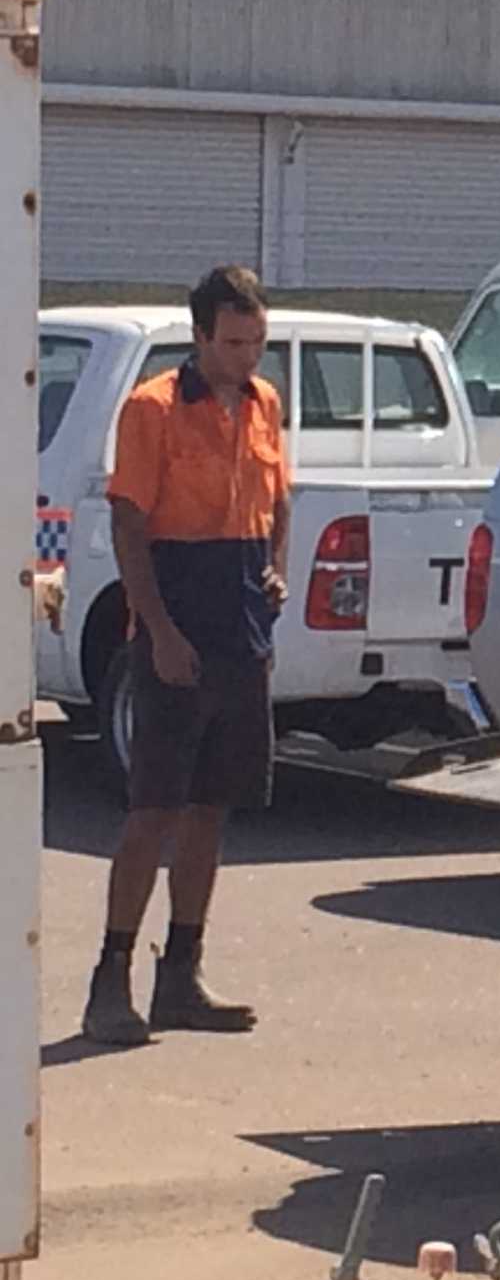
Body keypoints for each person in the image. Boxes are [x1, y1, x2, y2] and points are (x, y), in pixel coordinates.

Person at [81, 265, 287, 1045]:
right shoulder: (153, 409)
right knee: (152, 812)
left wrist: (278, 565)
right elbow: (131, 526)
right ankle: (110, 980)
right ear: (200, 336)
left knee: (212, 810)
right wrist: (158, 630)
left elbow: (280, 499)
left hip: (242, 630)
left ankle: (183, 976)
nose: (248, 357)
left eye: (257, 341)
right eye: (233, 343)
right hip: (177, 621)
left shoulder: (266, 404)